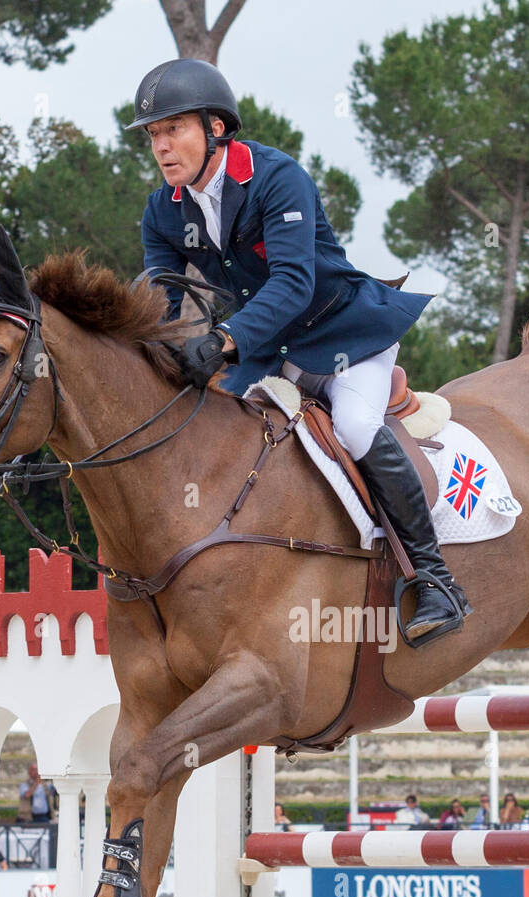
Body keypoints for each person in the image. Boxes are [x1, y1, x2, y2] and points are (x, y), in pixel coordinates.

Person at [132, 58, 471, 645]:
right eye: (153, 136)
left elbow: (292, 281)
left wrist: (225, 339)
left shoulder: (276, 176)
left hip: (342, 334)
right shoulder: (163, 210)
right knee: (216, 431)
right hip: (267, 351)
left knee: (357, 429)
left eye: (174, 130)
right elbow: (162, 295)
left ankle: (437, 580)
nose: (162, 148)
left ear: (216, 128)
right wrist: (149, 356)